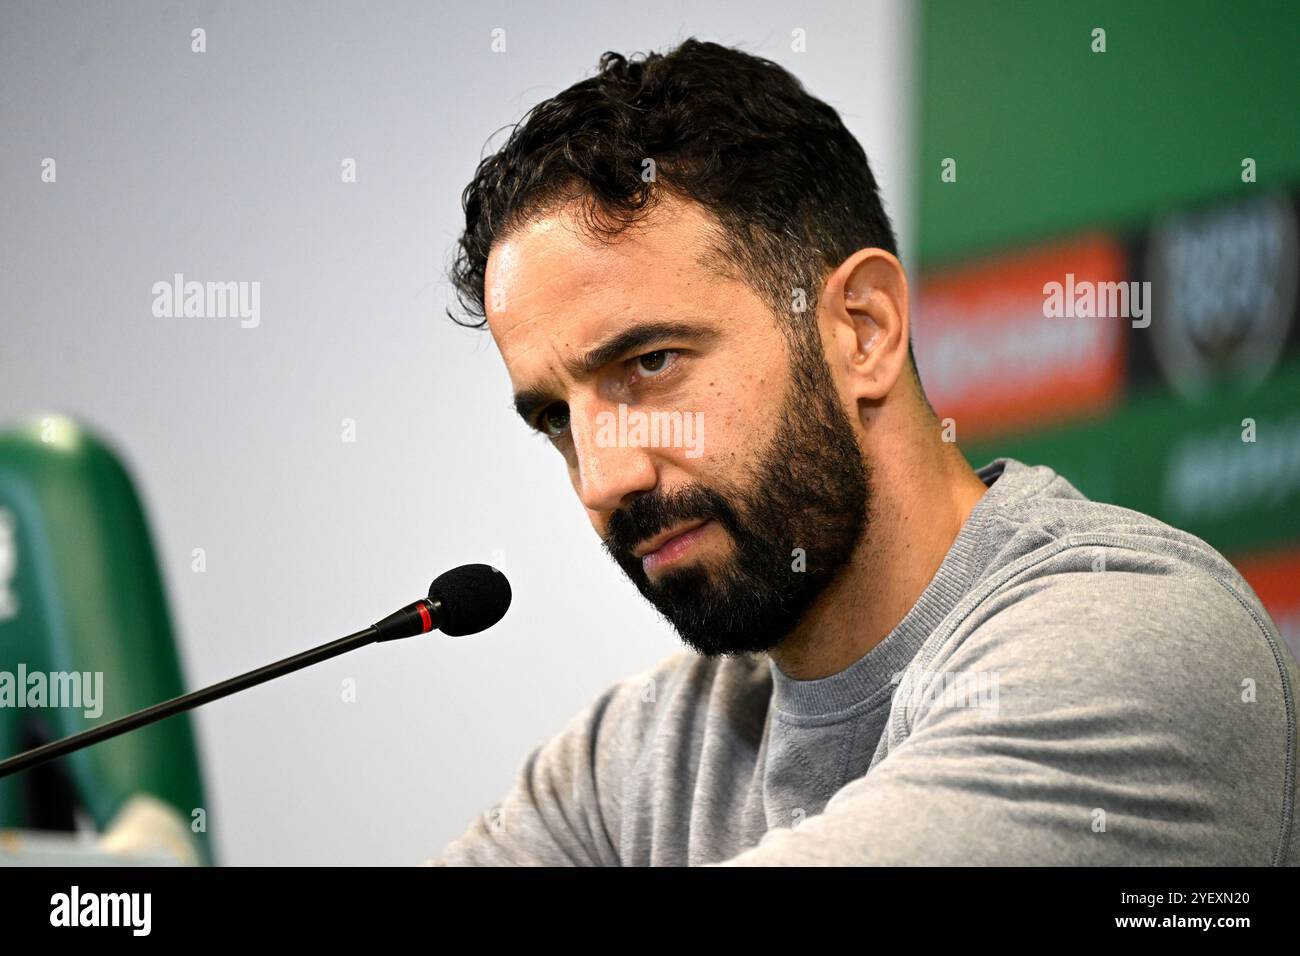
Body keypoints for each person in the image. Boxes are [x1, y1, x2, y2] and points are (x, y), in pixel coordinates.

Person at [433, 38, 1299, 865]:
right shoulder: (625, 765)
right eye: (555, 416)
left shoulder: (1130, 641)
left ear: (863, 329)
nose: (606, 477)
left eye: (651, 363)